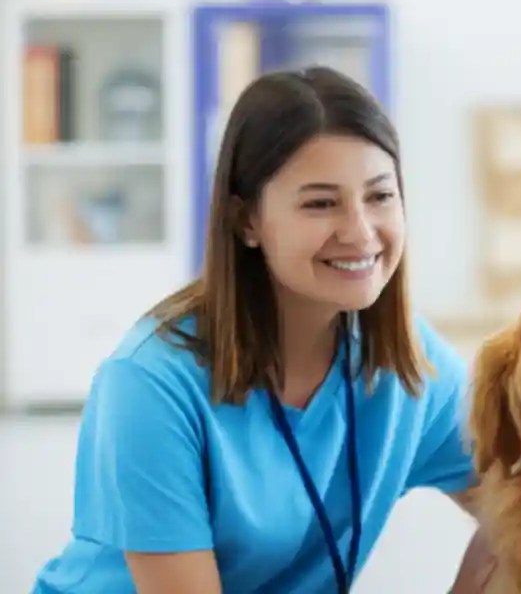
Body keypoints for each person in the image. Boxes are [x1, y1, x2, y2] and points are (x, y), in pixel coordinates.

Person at [31, 67, 495, 593]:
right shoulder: (148, 384)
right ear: (245, 220)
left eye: (379, 196)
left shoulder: (407, 361)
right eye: (320, 203)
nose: (360, 232)